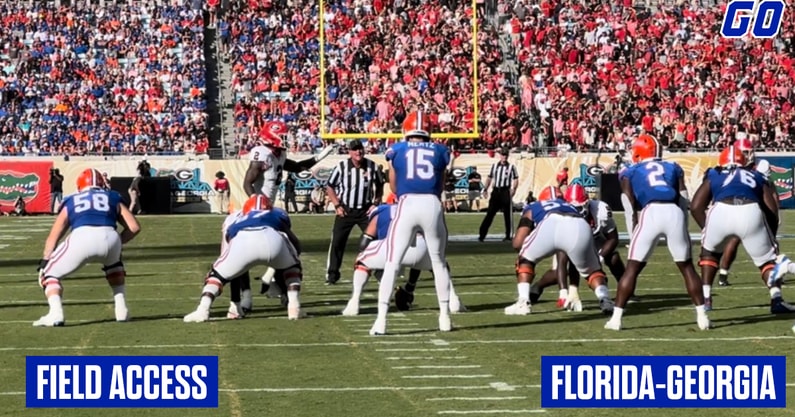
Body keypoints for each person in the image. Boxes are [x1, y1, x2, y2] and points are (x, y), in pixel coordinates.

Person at [607, 134, 709, 331]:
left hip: (650, 212)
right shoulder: (673, 167)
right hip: (674, 212)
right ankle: (702, 316)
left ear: (638, 152)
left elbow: (629, 203)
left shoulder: (630, 171)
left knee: (632, 268)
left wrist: (633, 230)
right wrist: (683, 226)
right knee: (687, 268)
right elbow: (683, 197)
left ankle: (616, 319)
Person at [370, 110, 453, 336]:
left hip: (407, 204)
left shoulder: (396, 149)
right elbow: (441, 183)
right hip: (432, 204)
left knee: (392, 261)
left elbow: (394, 186)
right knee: (438, 262)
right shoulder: (441, 150)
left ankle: (381, 320)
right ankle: (444, 316)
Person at [239, 120, 335, 306]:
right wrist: (256, 202)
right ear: (271, 136)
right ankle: (246, 297)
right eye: (281, 135)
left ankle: (272, 280)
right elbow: (247, 183)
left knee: (292, 247)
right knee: (244, 255)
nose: (285, 139)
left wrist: (321, 156)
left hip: (271, 208)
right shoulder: (261, 153)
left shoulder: (279, 154)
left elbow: (298, 167)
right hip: (257, 208)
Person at [690, 146, 793, 313]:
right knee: (767, 261)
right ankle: (776, 299)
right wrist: (771, 235)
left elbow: (695, 206)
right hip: (750, 210)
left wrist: (706, 228)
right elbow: (771, 208)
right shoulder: (756, 175)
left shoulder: (714, 173)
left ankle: (706, 298)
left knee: (709, 254)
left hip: (721, 210)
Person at [34, 168, 141, 327]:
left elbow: (54, 236)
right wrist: (117, 241)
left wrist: (44, 261)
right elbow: (134, 227)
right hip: (110, 235)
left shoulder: (71, 200)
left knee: (49, 275)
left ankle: (55, 314)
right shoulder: (112, 196)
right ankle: (121, 309)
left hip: (82, 237)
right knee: (114, 265)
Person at [184, 195, 305, 322]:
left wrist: (235, 303)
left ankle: (203, 310)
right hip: (272, 237)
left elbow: (228, 257)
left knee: (216, 276)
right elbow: (295, 244)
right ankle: (294, 307)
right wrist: (289, 264)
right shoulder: (277, 214)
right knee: (292, 268)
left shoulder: (234, 219)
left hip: (243, 240)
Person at [505, 186, 613, 316]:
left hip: (551, 222)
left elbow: (518, 243)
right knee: (593, 271)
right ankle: (605, 299)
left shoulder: (534, 206)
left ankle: (523, 301)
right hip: (580, 224)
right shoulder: (570, 206)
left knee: (525, 259)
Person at [342, 203, 464, 316]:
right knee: (439, 263)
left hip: (393, 248)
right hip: (422, 249)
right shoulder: (425, 208)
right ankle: (454, 300)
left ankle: (355, 301)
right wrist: (410, 289)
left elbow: (364, 242)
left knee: (362, 259)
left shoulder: (384, 210)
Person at [528, 183, 633, 306]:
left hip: (596, 239)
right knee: (560, 271)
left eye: (579, 207)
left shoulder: (601, 210)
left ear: (587, 202)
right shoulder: (561, 216)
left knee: (613, 257)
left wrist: (600, 257)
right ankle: (538, 287)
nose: (577, 211)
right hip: (570, 240)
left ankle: (626, 291)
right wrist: (566, 292)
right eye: (574, 207)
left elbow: (613, 238)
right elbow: (563, 259)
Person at [324, 139, 383, 285]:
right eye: (355, 149)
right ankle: (332, 274)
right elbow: (330, 186)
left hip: (365, 211)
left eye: (360, 149)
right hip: (346, 210)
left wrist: (375, 203)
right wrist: (337, 205)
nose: (358, 152)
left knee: (376, 241)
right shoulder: (342, 167)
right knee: (337, 242)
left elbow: (380, 184)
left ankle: (379, 270)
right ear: (349, 152)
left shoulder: (372, 166)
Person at [714, 139, 771, 286]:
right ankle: (723, 273)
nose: (747, 155)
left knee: (766, 245)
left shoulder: (760, 166)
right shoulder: (731, 168)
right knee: (734, 240)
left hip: (756, 205)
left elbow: (770, 190)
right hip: (740, 206)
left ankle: (773, 273)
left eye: (747, 151)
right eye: (743, 152)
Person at [478, 147, 519, 242]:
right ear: (500, 156)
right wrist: (485, 189)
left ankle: (508, 235)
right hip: (496, 192)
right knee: (490, 214)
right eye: (503, 155)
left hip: (505, 191)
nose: (504, 157)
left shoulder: (511, 167)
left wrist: (514, 189)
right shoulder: (495, 166)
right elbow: (489, 178)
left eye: (506, 155)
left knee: (507, 215)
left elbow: (516, 178)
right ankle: (482, 235)